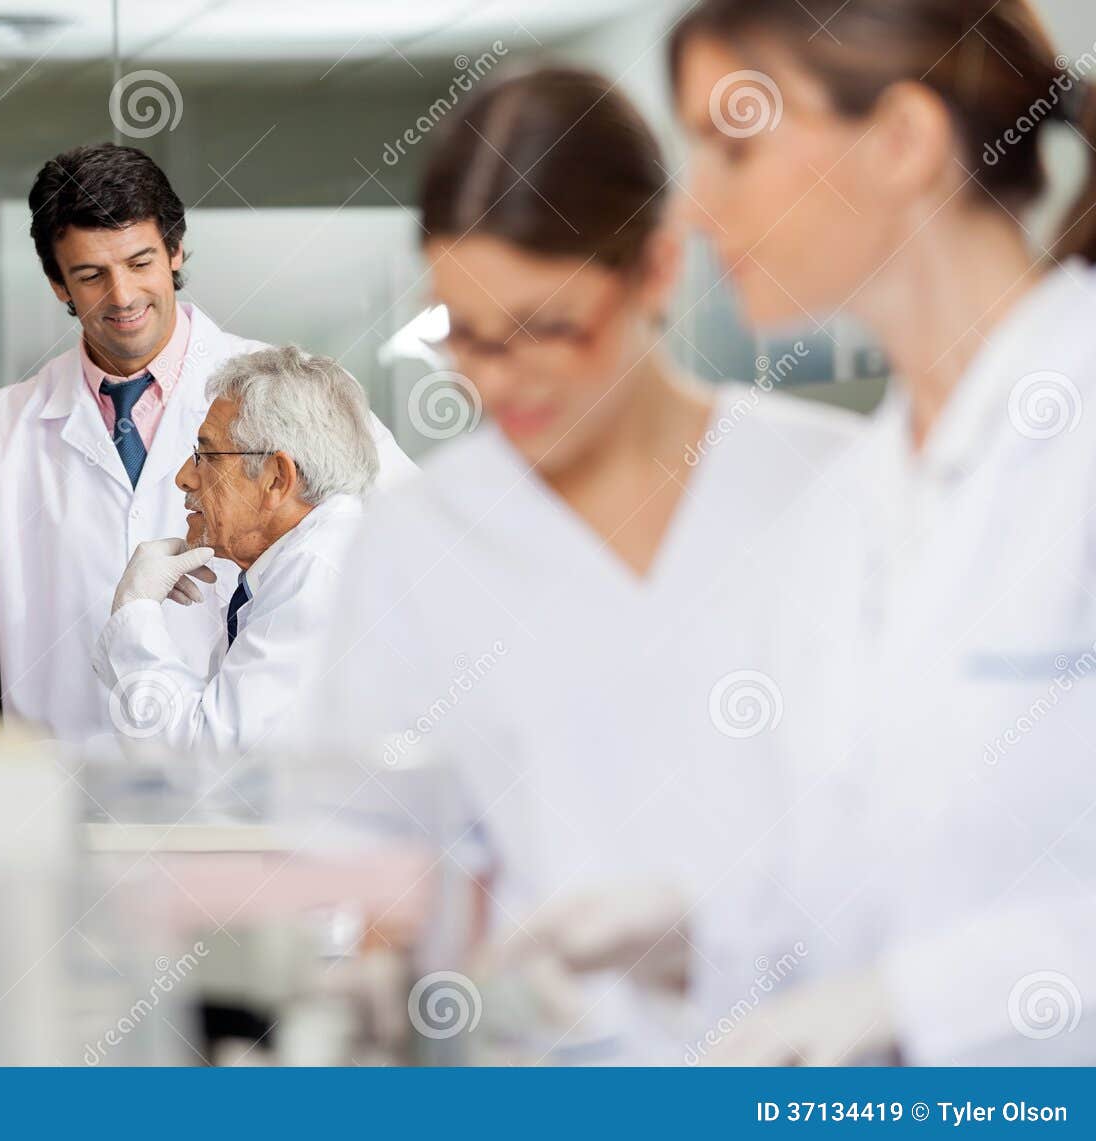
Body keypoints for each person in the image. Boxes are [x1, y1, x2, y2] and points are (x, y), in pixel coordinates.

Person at [307, 66, 864, 1059]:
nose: (497, 379)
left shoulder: (839, 489)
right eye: (464, 337)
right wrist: (376, 961)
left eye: (546, 330)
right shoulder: (417, 536)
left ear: (655, 271)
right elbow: (370, 839)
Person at [655, 0, 1096, 1066]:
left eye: (735, 143)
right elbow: (856, 868)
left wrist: (918, 999)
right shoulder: (846, 503)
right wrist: (689, 926)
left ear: (902, 139)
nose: (697, 212)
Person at [0, 143, 413, 737]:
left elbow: (418, 536)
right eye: (91, 275)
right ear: (59, 285)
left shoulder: (287, 391)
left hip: (223, 787)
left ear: (176, 253)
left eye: (140, 263)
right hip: (66, 786)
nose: (123, 296)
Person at [93, 346, 379, 755]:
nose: (184, 478)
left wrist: (135, 609)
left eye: (206, 455)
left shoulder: (318, 571)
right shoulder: (299, 562)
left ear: (277, 478)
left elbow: (215, 762)